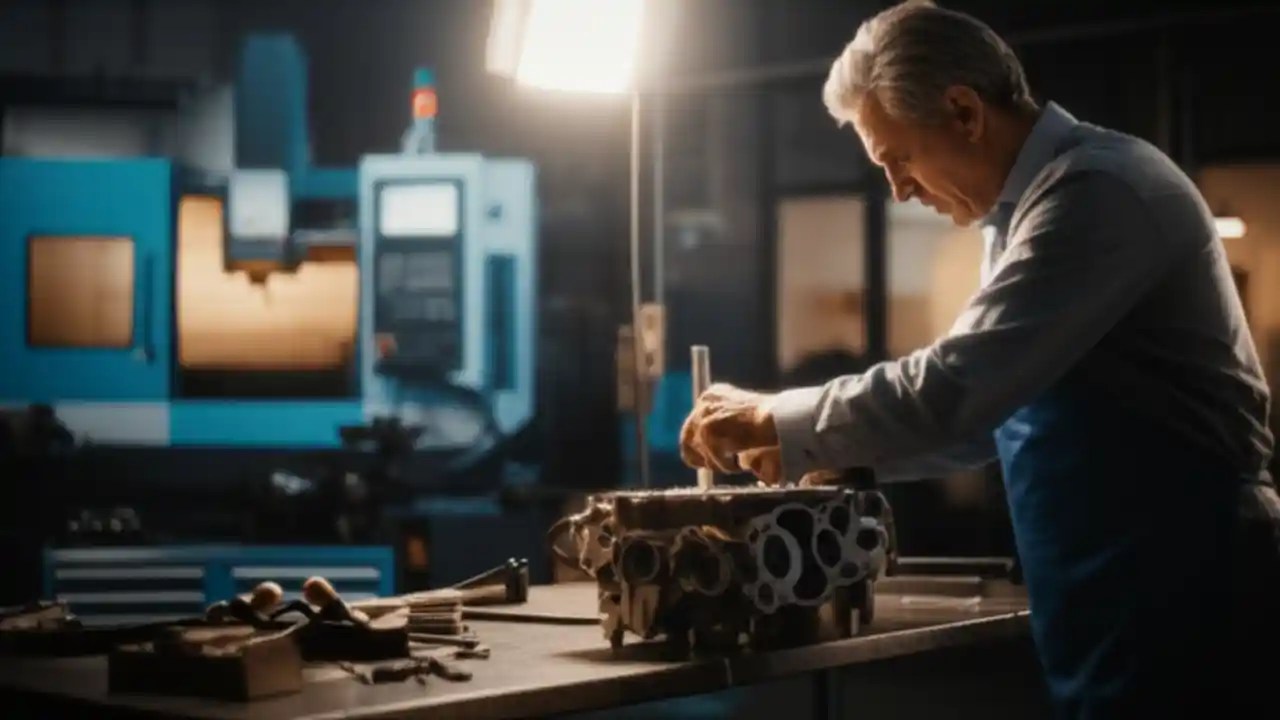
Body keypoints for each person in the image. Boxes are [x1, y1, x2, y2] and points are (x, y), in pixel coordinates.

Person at [678, 1, 1280, 717]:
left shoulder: (1100, 192)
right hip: (1109, 594)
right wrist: (841, 458)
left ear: (964, 112)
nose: (898, 188)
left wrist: (775, 416)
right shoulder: (1021, 217)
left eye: (897, 157)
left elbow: (957, 386)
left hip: (1187, 582)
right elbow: (988, 418)